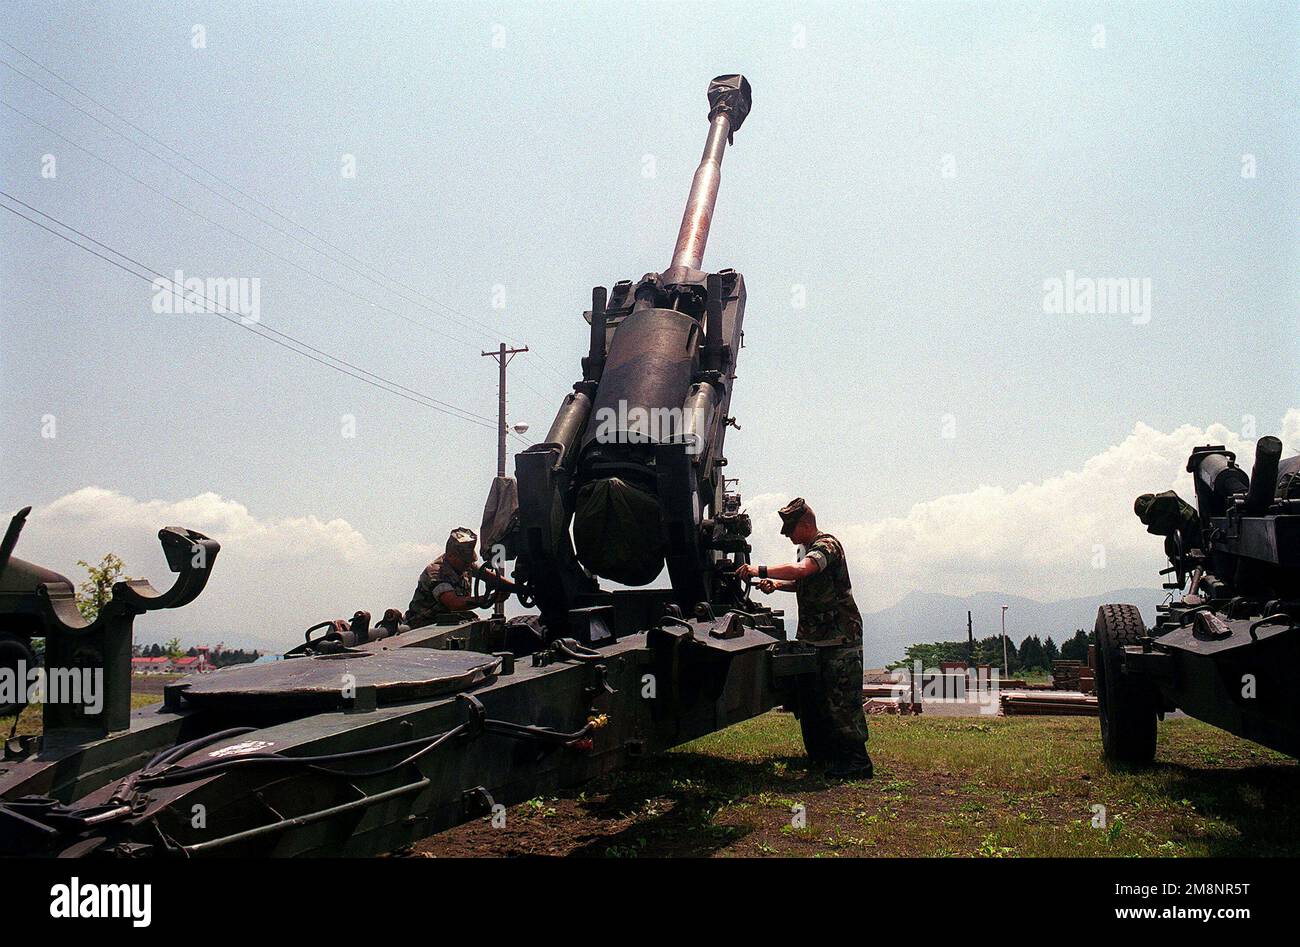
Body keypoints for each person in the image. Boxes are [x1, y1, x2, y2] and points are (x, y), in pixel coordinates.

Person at [736, 498, 873, 779]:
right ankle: (828, 758)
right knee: (819, 702)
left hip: (839, 640)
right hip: (817, 639)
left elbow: (801, 571)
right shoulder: (808, 550)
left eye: (790, 529)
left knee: (842, 703)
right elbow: (801, 582)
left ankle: (858, 763)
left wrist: (758, 570)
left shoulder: (826, 546)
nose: (787, 535)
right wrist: (776, 585)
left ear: (805, 524)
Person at [404, 527, 513, 629]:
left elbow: (491, 578)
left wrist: (519, 588)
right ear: (451, 555)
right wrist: (490, 598)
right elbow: (454, 603)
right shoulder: (437, 572)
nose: (468, 564)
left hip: (451, 624)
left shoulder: (465, 565)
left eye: (470, 561)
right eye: (465, 561)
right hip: (422, 627)